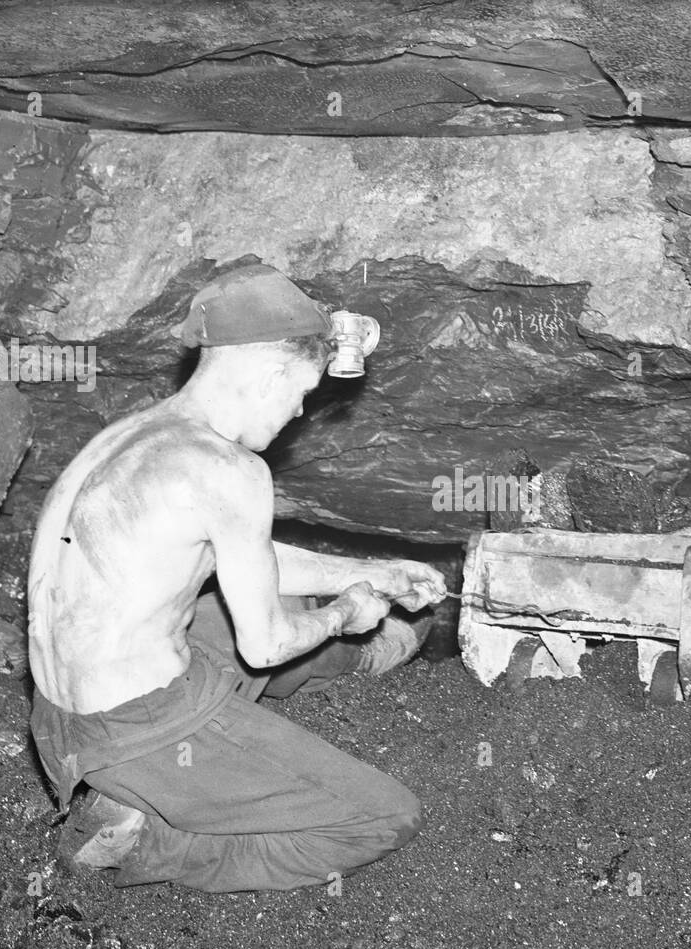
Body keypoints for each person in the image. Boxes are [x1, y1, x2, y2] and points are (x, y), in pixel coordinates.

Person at [26, 264, 447, 892]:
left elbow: (239, 556)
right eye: (301, 390)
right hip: (141, 729)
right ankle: (152, 841)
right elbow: (266, 645)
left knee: (274, 586)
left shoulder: (129, 437)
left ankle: (344, 671)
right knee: (386, 817)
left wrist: (373, 572)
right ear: (272, 371)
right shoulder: (231, 469)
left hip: (57, 719)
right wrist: (345, 614)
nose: (302, 410)